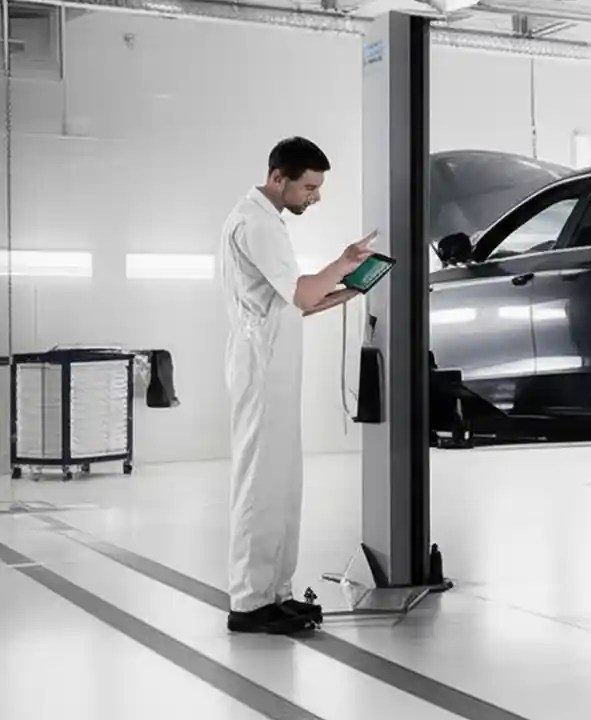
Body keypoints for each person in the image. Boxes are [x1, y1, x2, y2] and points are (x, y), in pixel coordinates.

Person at [217, 136, 375, 635]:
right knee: (261, 484)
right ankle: (248, 601)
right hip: (261, 369)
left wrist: (352, 289)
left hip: (277, 367)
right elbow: (304, 291)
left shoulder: (269, 223)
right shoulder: (255, 223)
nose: (316, 196)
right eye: (309, 186)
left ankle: (275, 593)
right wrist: (345, 261)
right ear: (278, 177)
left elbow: (300, 303)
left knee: (283, 484)